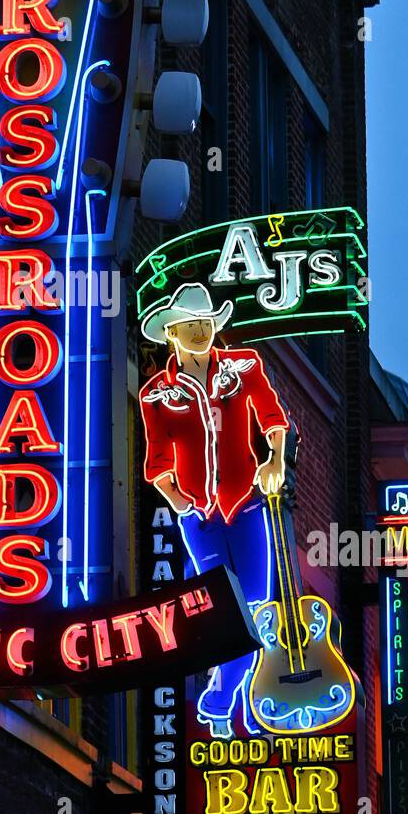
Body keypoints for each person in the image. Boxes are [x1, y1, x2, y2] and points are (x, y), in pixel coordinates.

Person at [139, 282, 290, 738]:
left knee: (257, 610)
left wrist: (275, 460)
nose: (199, 331)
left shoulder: (244, 368)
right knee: (227, 612)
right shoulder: (155, 396)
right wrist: (183, 505)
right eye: (190, 325)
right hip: (201, 520)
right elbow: (158, 466)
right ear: (173, 333)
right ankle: (229, 703)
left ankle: (223, 700)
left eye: (205, 323)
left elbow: (273, 418)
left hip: (247, 509)